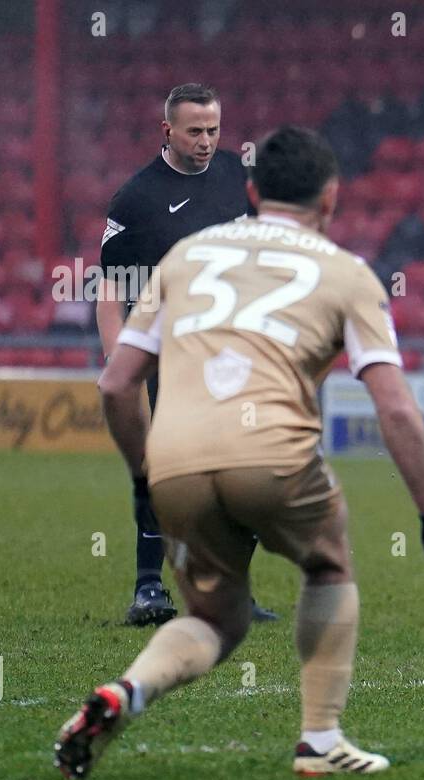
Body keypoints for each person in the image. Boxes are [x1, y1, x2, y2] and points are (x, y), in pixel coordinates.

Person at [55, 126, 424, 779]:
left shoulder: (186, 257)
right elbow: (395, 407)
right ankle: (319, 740)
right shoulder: (348, 273)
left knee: (214, 619)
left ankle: (125, 692)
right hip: (273, 454)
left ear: (252, 193)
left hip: (178, 459)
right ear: (330, 198)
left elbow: (116, 384)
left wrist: (144, 480)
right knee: (327, 564)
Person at [97, 82, 280, 626]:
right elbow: (110, 287)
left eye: (213, 130)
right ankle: (148, 588)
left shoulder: (236, 176)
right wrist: (117, 361)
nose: (206, 141)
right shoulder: (136, 198)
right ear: (167, 130)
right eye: (195, 131)